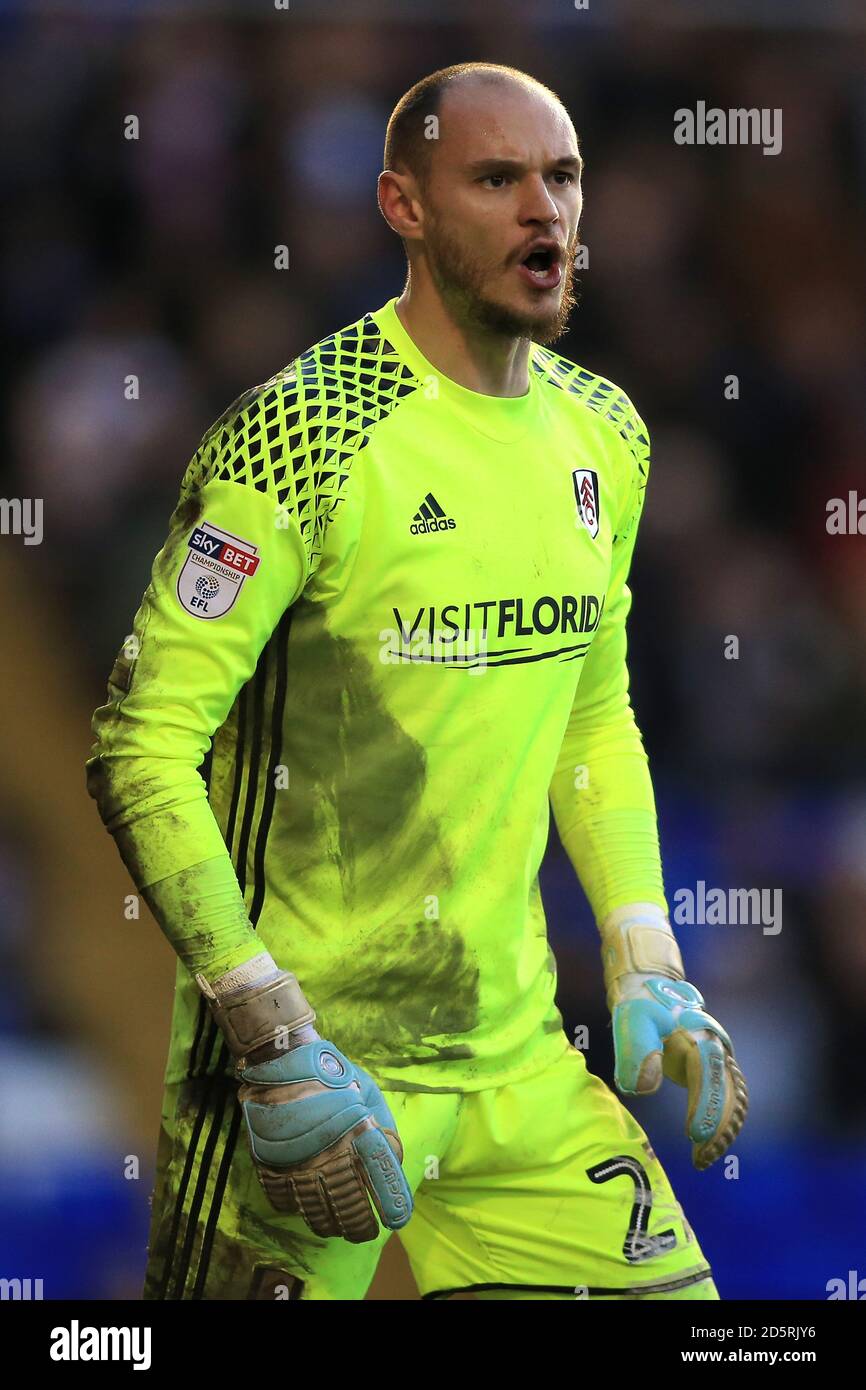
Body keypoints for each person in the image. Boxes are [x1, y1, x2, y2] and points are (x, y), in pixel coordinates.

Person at [86, 61, 747, 1301]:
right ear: (402, 206)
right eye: (495, 180)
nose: (541, 212)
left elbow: (590, 712)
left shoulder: (605, 431)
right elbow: (138, 745)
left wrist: (644, 948)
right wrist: (265, 1028)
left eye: (560, 178)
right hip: (308, 1079)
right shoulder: (301, 435)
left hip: (517, 1066)